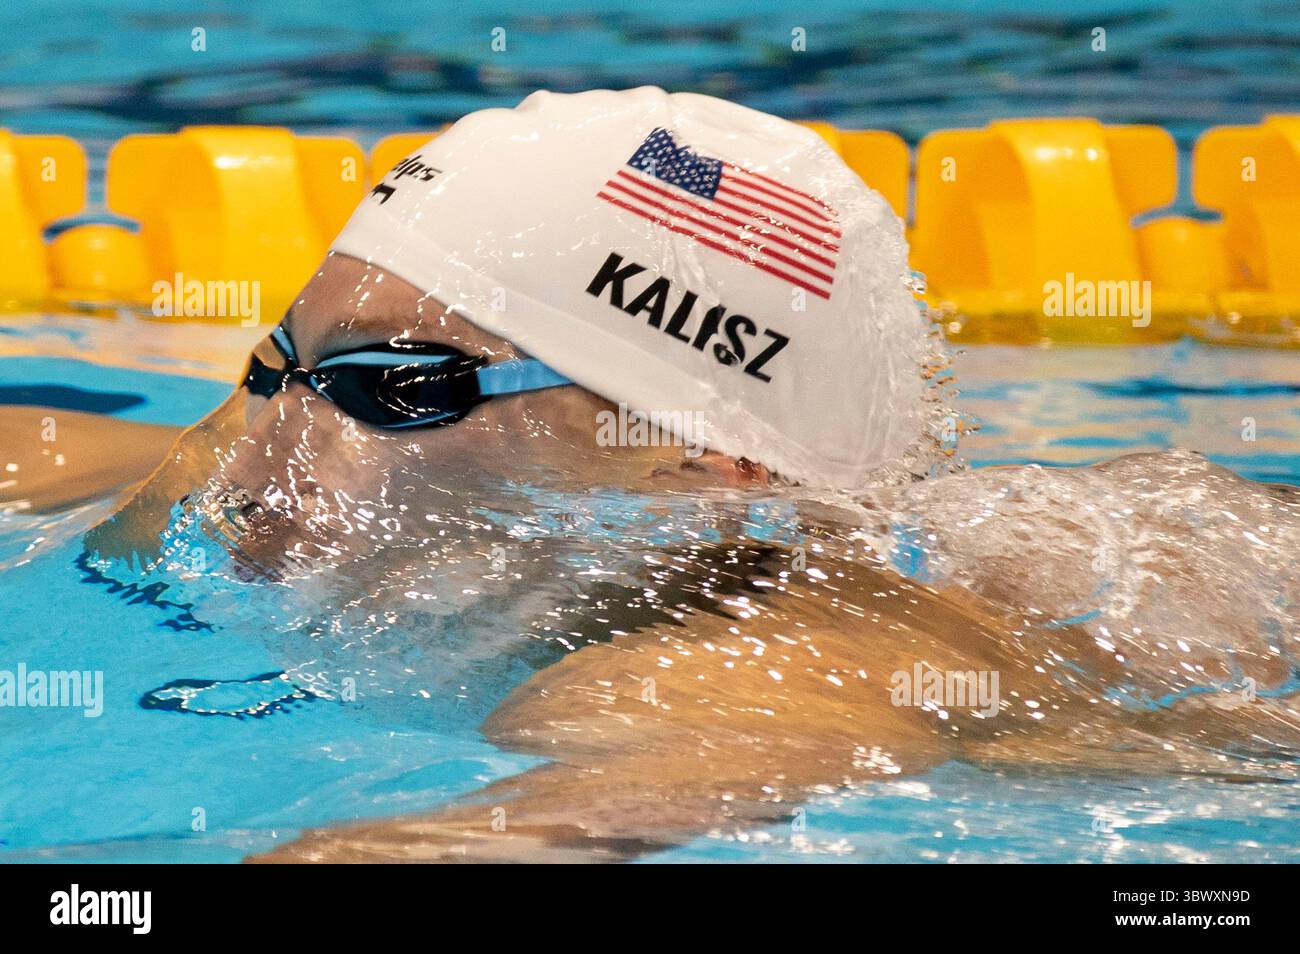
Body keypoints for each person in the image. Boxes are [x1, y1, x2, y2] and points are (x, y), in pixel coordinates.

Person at [67, 89, 1300, 861]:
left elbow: (663, 774)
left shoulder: (720, 660)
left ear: (706, 462)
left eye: (401, 387)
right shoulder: (303, 464)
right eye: (271, 366)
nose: (267, 453)